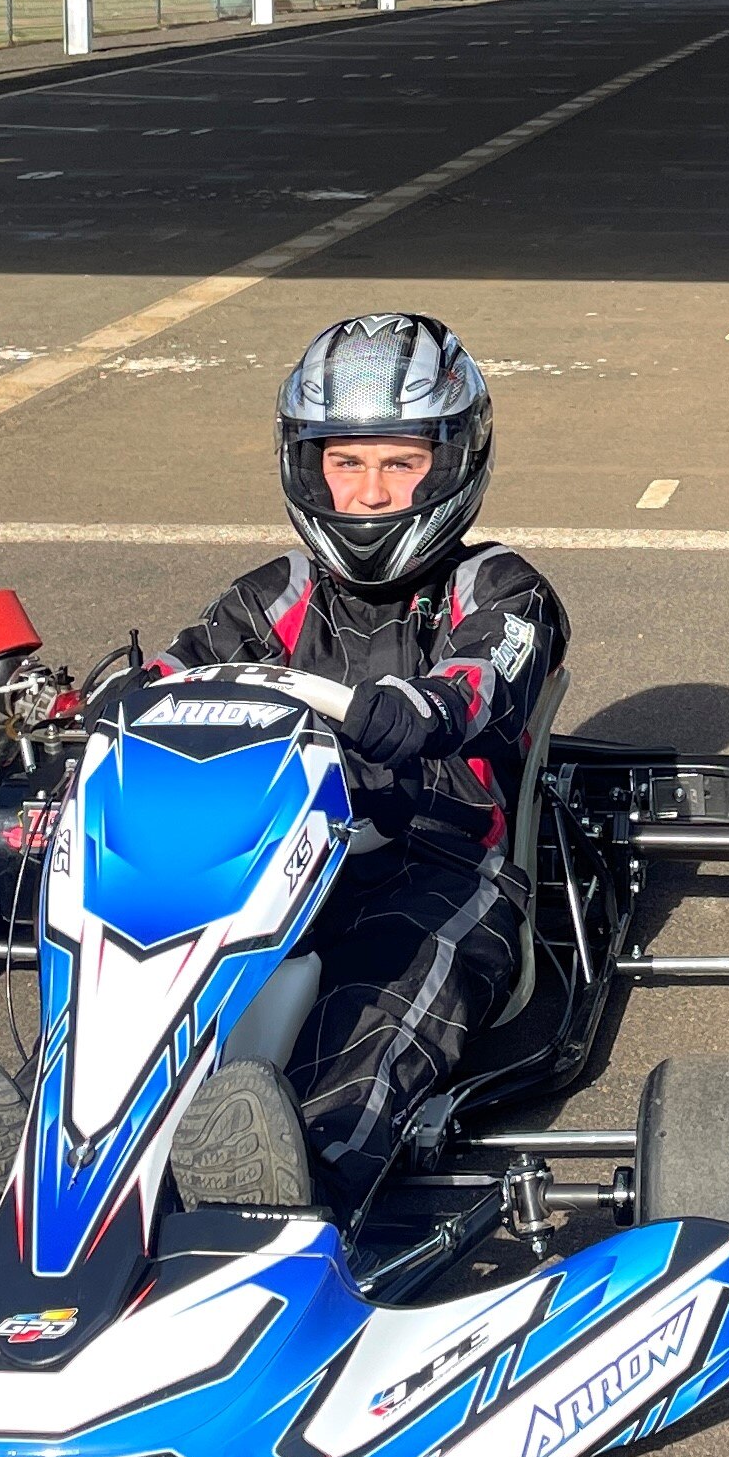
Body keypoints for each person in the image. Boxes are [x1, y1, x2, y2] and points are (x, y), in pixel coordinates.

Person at [145, 314, 566, 1215]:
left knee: (374, 1015)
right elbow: (181, 669)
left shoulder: (499, 586)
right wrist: (125, 700)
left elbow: (486, 676)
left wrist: (419, 707)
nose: (370, 493)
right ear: (308, 465)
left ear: (451, 463)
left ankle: (299, 1188)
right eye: (346, 462)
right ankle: (35, 1139)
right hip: (266, 867)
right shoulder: (278, 593)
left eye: (399, 462)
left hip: (439, 865)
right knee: (140, 970)